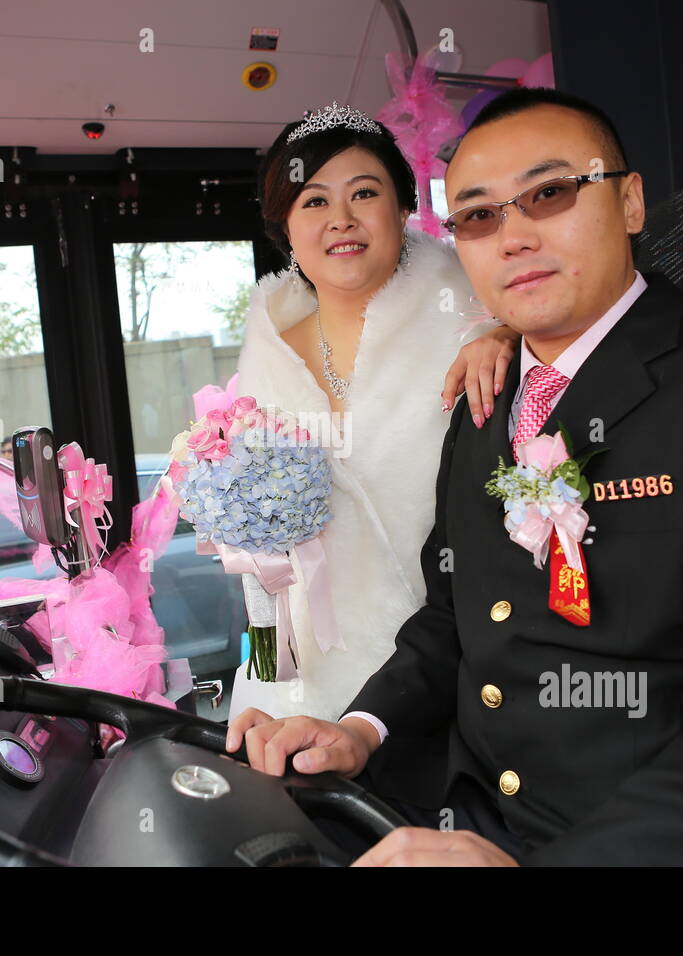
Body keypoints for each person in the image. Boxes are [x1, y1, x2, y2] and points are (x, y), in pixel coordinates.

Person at [226, 86, 683, 866]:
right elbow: (455, 618)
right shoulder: (483, 404)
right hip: (468, 809)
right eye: (480, 216)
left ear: (632, 203)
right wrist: (356, 729)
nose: (512, 238)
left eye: (549, 195)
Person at [228, 102, 517, 722]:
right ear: (283, 225)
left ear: (405, 207)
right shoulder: (265, 359)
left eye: (364, 193)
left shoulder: (481, 319)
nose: (341, 220)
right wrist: (266, 674)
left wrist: (508, 336)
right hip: (305, 689)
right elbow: (259, 568)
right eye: (312, 201)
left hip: (458, 673)